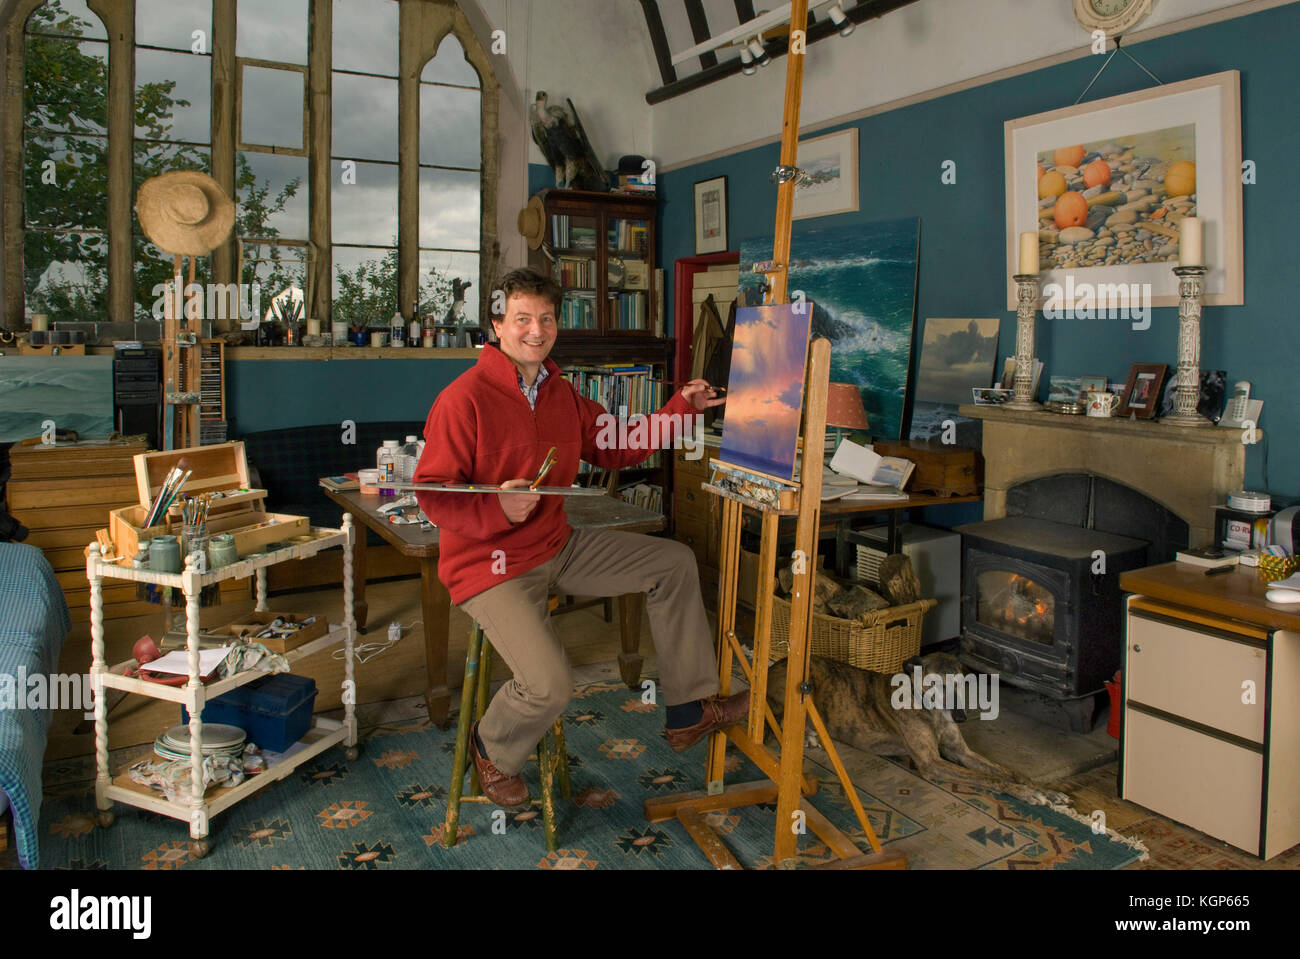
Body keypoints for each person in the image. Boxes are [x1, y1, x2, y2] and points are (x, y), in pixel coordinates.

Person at [412, 268, 748, 807]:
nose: (535, 330)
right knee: (551, 686)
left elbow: (615, 445)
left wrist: (680, 407)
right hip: (488, 564)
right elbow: (432, 494)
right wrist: (496, 503)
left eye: (545, 318)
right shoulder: (462, 398)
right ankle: (490, 746)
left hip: (557, 545)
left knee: (674, 562)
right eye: (521, 318)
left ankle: (689, 709)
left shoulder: (560, 392)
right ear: (496, 324)